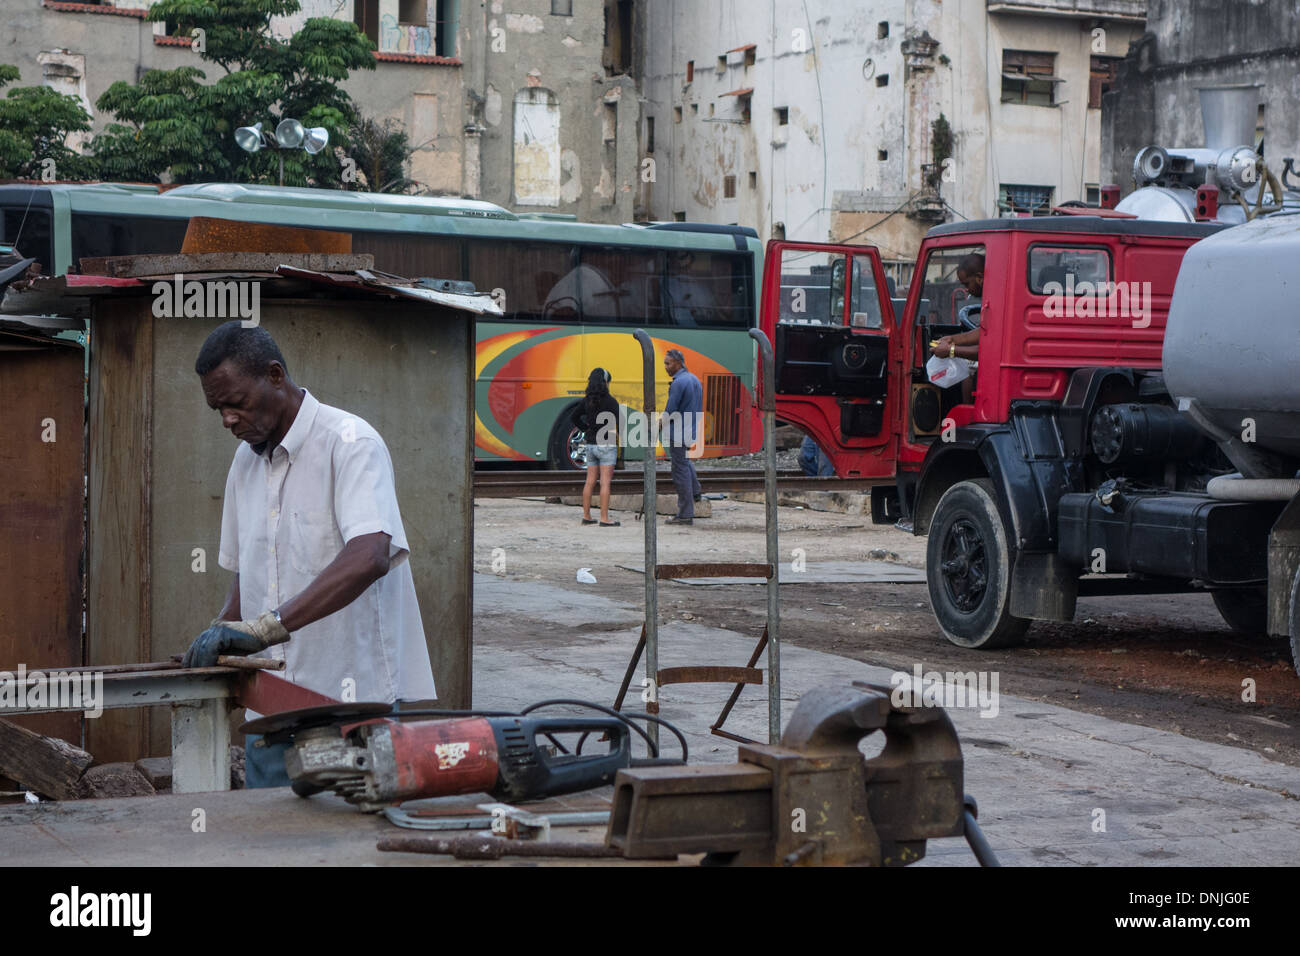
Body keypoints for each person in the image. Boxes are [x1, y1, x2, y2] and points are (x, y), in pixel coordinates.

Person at [181, 322, 437, 788]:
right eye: (218, 409)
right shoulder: (245, 462)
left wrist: (266, 629)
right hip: (271, 707)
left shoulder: (350, 443)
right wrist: (223, 630)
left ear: (275, 375)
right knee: (269, 827)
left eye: (236, 403)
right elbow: (249, 569)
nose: (228, 421)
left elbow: (370, 556)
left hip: (350, 704)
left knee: (350, 828)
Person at [930, 253, 985, 403]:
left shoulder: (998, 297)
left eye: (967, 284)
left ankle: (969, 412)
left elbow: (987, 352)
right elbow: (984, 332)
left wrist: (951, 351)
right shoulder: (990, 297)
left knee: (967, 370)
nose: (966, 290)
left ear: (979, 278)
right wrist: (952, 339)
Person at [571, 367, 621, 526]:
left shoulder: (587, 400)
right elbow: (620, 423)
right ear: (605, 382)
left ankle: (587, 516)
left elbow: (574, 416)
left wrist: (585, 428)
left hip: (591, 445)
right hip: (607, 445)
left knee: (590, 481)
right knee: (605, 483)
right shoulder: (611, 402)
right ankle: (604, 519)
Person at [662, 348, 703, 525]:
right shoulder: (694, 379)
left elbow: (670, 410)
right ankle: (696, 491)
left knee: (679, 471)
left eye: (668, 363)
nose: (666, 367)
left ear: (678, 363)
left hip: (678, 432)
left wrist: (657, 425)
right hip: (690, 429)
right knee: (684, 462)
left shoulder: (678, 383)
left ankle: (685, 514)